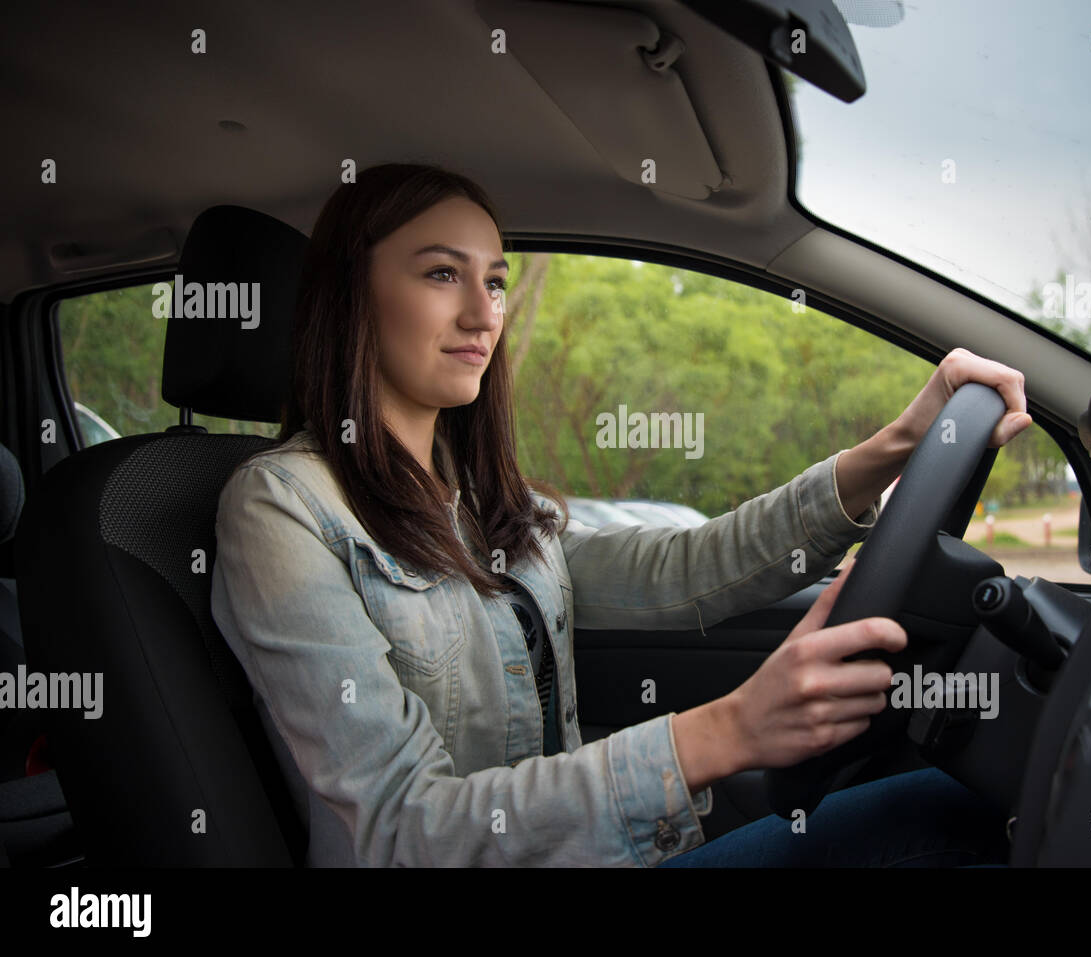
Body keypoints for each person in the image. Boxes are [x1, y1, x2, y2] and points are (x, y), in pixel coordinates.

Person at [210, 163, 1033, 867]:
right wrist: (727, 731)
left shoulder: (483, 498)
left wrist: (891, 447)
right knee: (941, 820)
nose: (483, 312)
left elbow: (684, 569)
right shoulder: (282, 509)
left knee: (946, 806)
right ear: (350, 296)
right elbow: (399, 831)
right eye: (440, 273)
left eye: (494, 280)